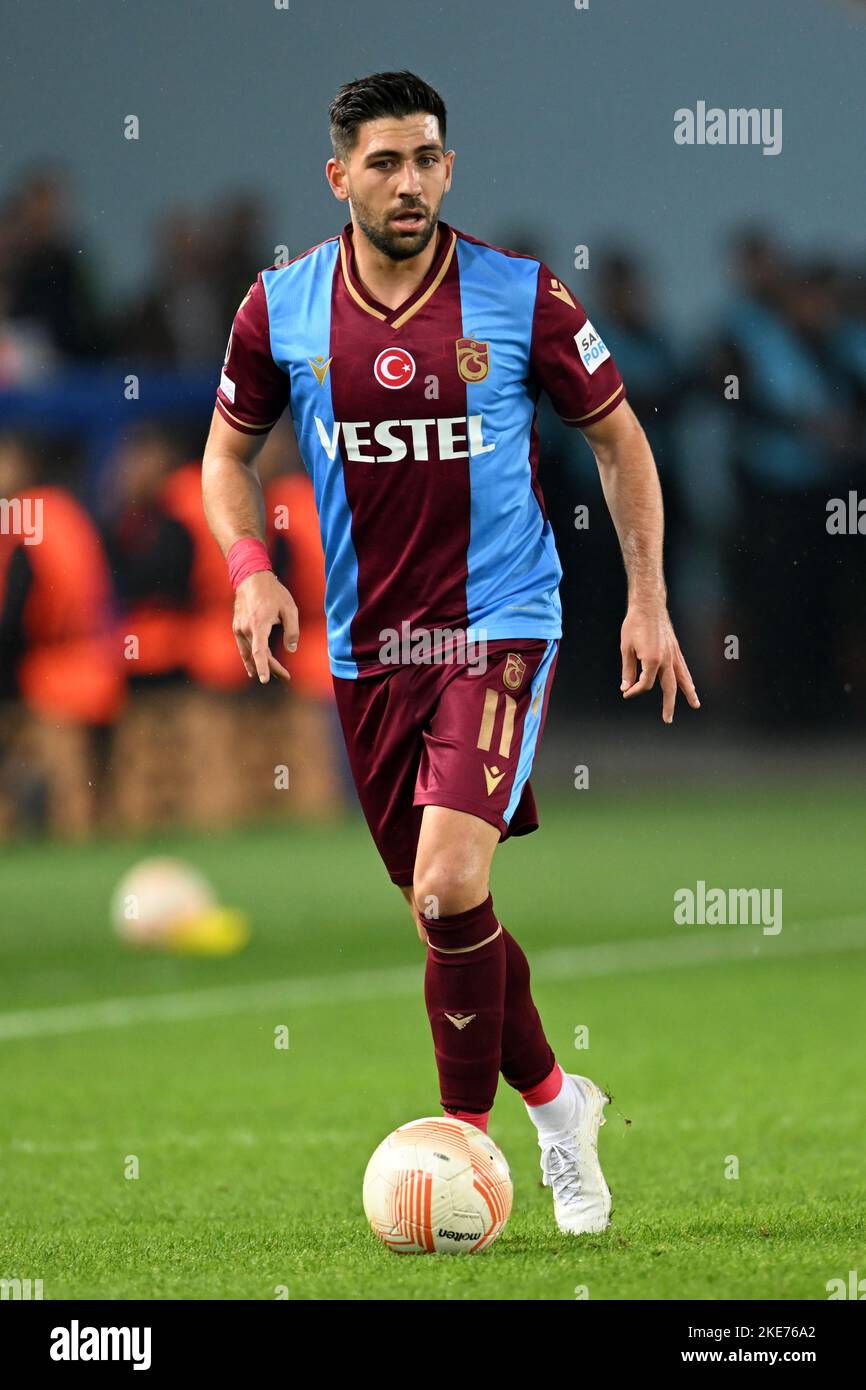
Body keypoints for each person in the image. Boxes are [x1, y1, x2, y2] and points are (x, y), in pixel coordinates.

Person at [200, 70, 699, 1236]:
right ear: (339, 178)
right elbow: (226, 458)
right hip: (373, 652)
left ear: (448, 167)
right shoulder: (278, 309)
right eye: (384, 162)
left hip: (498, 628)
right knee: (444, 915)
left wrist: (646, 595)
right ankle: (558, 1100)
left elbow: (619, 443)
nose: (409, 181)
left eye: (426, 158)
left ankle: (464, 1154)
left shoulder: (520, 298)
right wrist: (249, 568)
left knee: (447, 883)